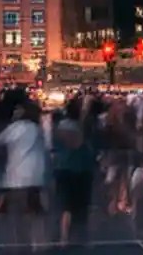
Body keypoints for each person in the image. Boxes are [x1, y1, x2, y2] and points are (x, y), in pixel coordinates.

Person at [52, 95, 96, 243]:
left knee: (67, 206)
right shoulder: (77, 127)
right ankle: (76, 238)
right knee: (78, 207)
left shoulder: (60, 126)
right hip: (78, 170)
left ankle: (65, 238)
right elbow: (77, 143)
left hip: (65, 169)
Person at [0, 101, 46, 219]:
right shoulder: (36, 128)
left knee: (9, 186)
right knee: (33, 188)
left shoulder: (15, 128)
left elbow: (0, 140)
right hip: (34, 165)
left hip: (17, 163)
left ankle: (2, 207)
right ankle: (34, 208)